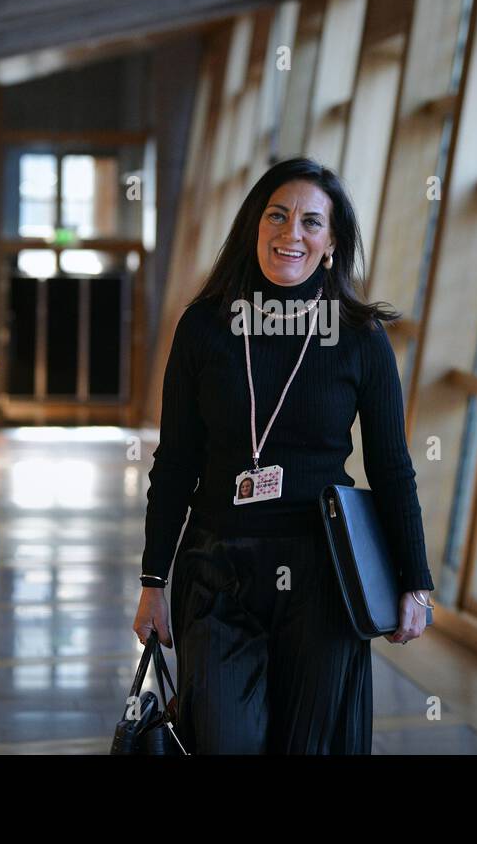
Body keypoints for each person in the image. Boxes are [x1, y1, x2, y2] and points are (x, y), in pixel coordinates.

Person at [132, 156, 434, 754]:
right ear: (254, 226)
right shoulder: (204, 328)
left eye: (311, 222)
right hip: (217, 568)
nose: (290, 233)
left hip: (324, 571)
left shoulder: (362, 340)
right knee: (223, 741)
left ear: (331, 243)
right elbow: (175, 464)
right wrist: (152, 579)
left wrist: (414, 582)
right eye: (277, 216)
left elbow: (393, 467)